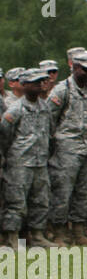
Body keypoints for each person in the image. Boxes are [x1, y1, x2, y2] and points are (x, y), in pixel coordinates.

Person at [47, 50, 87, 246]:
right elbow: (49, 119)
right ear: (75, 68)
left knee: (86, 192)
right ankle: (60, 232)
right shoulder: (62, 90)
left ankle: (79, 231)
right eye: (84, 70)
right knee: (63, 191)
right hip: (66, 149)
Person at [0, 69, 55, 249]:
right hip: (20, 163)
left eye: (40, 82)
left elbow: (50, 133)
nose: (39, 86)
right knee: (16, 202)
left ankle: (37, 236)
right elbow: (5, 136)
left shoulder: (44, 107)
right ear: (24, 85)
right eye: (34, 83)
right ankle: (12, 238)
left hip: (39, 162)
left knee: (40, 200)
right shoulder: (15, 109)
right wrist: (13, 155)